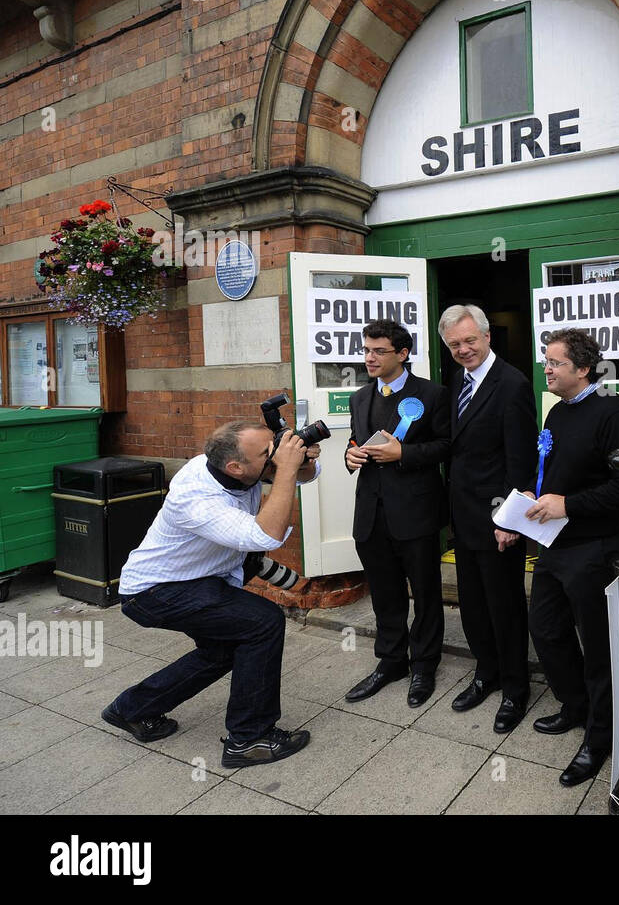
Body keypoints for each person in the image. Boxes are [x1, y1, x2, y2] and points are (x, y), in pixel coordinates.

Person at [103, 420, 320, 768]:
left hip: (199, 579)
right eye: (269, 453)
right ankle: (249, 739)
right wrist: (288, 471)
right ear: (235, 466)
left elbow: (304, 475)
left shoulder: (240, 469)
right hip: (157, 590)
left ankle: (132, 709)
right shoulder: (197, 497)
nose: (276, 454)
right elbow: (266, 536)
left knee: (222, 651)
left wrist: (302, 464)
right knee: (262, 623)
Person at [515, 328, 619, 787]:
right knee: (545, 628)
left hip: (593, 545)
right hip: (553, 543)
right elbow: (552, 468)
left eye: (555, 363)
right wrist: (535, 490)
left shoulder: (614, 412)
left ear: (583, 368)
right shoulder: (557, 411)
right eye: (546, 361)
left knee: (599, 645)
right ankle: (575, 706)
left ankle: (600, 736)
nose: (546, 369)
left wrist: (567, 504)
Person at [343, 319, 451, 707]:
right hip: (370, 514)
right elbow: (356, 441)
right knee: (385, 595)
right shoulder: (359, 397)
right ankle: (391, 661)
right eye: (366, 350)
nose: (369, 358)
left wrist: (404, 453)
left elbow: (445, 446)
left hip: (416, 512)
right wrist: (349, 454)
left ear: (402, 354)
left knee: (424, 593)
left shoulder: (434, 394)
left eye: (378, 351)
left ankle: (424, 664)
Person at [439, 304, 536, 733]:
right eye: (455, 344)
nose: (463, 350)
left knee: (505, 607)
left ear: (487, 337)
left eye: (469, 340)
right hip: (465, 517)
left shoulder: (512, 384)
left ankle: (516, 688)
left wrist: (510, 522)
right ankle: (487, 673)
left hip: (498, 521)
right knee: (474, 606)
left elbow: (520, 461)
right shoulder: (457, 380)